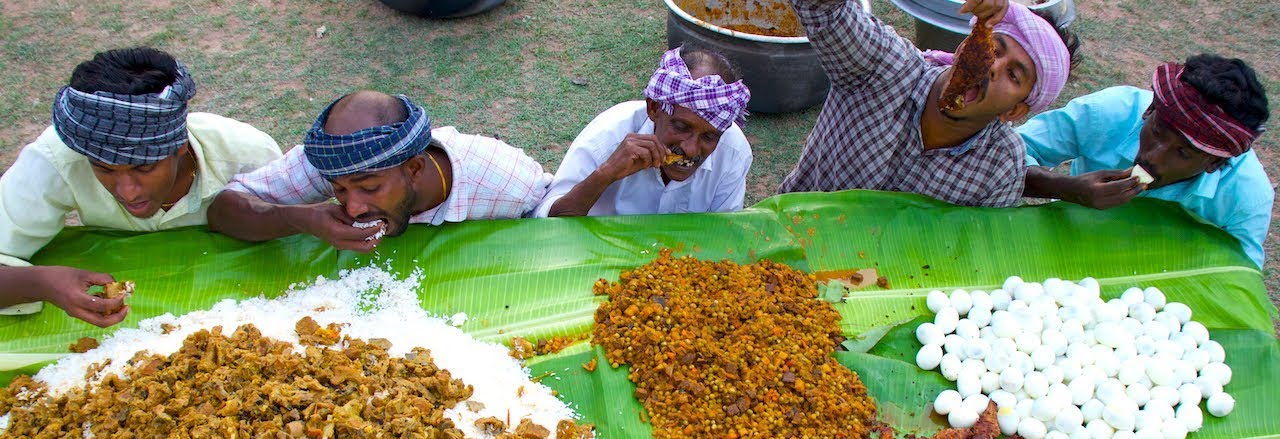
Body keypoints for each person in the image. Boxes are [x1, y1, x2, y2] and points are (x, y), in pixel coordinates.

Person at [0, 47, 282, 326]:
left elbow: (298, 243)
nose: (127, 191)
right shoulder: (56, 159)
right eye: (104, 168)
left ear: (179, 147)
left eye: (144, 168)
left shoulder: (246, 155)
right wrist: (40, 283)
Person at [780, 0, 1070, 207]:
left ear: (1014, 111)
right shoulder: (886, 67)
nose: (993, 66)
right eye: (993, 48)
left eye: (1013, 74)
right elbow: (819, 8)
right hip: (789, 241)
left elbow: (975, 252)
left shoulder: (1000, 164)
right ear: (963, 46)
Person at [208, 91, 551, 251]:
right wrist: (300, 219)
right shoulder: (335, 160)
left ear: (414, 168)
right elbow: (224, 209)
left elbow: (552, 229)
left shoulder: (505, 181)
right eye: (339, 191)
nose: (353, 207)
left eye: (369, 189)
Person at [1020, 55, 1271, 267]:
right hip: (1066, 245)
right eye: (1158, 131)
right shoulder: (1109, 112)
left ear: (1214, 164)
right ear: (1150, 109)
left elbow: (1238, 277)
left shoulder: (1246, 197)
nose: (1153, 157)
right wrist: (1066, 189)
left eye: (1182, 153)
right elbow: (1000, 156)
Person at [536, 46, 752, 217]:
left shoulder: (733, 152)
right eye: (681, 127)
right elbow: (548, 221)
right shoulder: (608, 135)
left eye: (709, 136)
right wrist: (606, 174)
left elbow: (723, 235)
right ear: (654, 108)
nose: (690, 149)